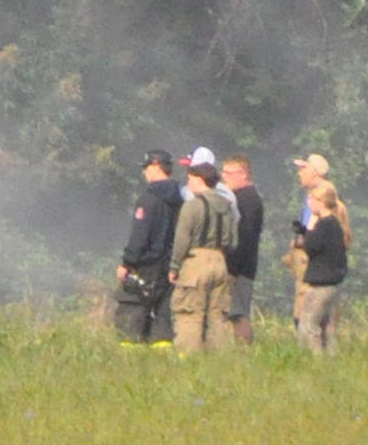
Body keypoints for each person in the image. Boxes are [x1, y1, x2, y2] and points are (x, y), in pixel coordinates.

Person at [170, 149, 238, 350]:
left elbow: (182, 239)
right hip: (220, 261)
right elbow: (233, 241)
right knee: (218, 315)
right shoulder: (226, 205)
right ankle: (220, 358)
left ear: (200, 179)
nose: (188, 182)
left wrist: (174, 266)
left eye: (191, 178)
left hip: (195, 261)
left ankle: (188, 358)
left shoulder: (191, 206)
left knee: (190, 313)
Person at [113, 150, 180, 343]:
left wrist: (127, 263)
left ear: (156, 167)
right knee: (162, 315)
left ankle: (130, 356)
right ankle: (161, 357)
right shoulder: (179, 198)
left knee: (130, 310)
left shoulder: (149, 199)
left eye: (146, 168)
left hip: (145, 264)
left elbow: (140, 235)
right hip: (169, 266)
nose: (144, 173)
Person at [289, 177, 351, 351]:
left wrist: (301, 240)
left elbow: (311, 246)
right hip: (332, 284)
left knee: (308, 325)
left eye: (311, 199)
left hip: (321, 284)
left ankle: (313, 361)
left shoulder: (325, 224)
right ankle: (329, 362)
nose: (309, 203)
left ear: (321, 202)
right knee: (327, 328)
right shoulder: (333, 224)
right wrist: (305, 231)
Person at [219, 153, 265, 347]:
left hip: (241, 268)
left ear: (243, 174)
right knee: (234, 311)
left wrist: (233, 269)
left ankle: (245, 352)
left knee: (238, 313)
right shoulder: (240, 198)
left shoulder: (248, 200)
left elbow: (244, 239)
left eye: (229, 173)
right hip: (240, 266)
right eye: (223, 172)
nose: (224, 177)